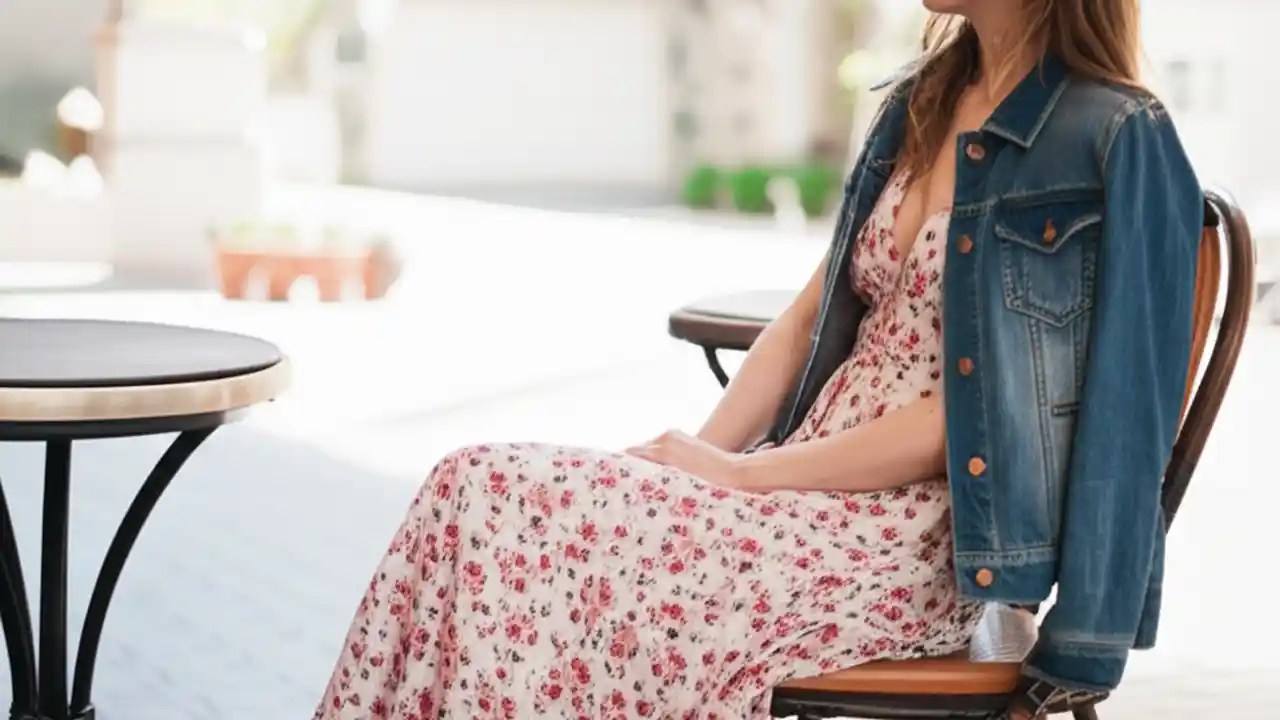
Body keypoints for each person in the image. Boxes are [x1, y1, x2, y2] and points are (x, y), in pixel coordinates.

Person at [314, 0, 1201, 717]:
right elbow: (812, 311)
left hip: (914, 542)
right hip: (796, 488)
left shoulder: (1115, 137)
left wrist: (742, 483)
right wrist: (695, 468)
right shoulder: (924, 97)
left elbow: (1075, 412)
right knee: (466, 487)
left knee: (498, 495)